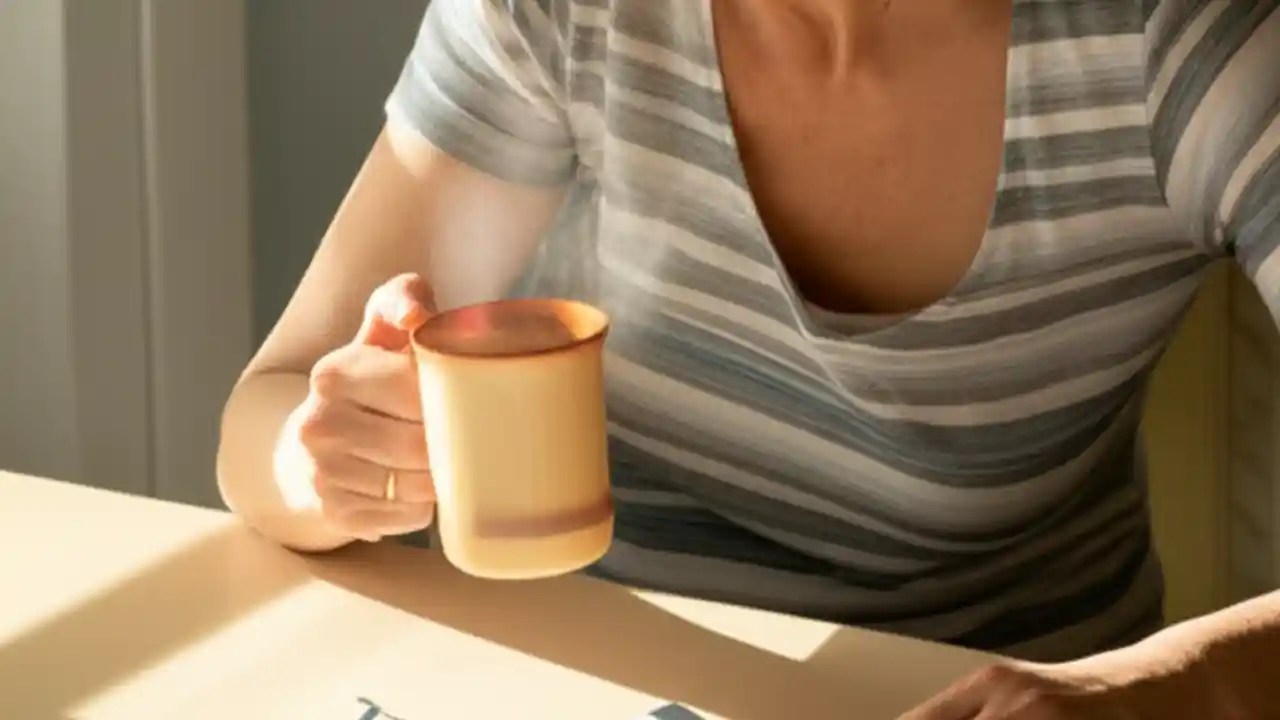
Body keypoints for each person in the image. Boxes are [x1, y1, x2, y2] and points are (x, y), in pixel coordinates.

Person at [217, 0, 1280, 716]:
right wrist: (325, 465)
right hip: (593, 686)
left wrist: (1154, 690)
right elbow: (268, 410)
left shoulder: (1184, 47)